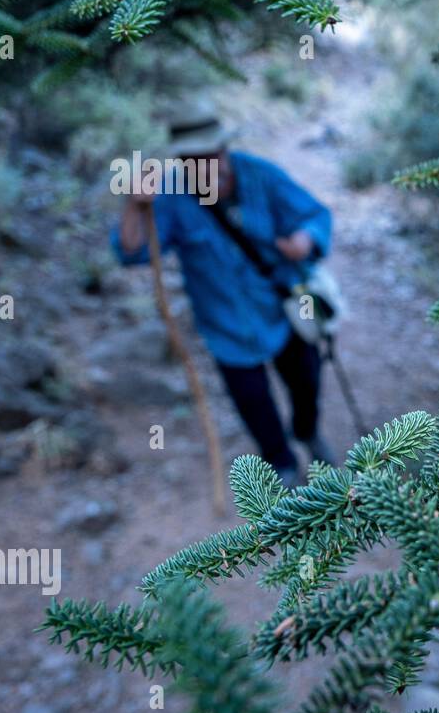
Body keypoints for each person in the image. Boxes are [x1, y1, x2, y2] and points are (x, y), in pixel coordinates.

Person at [113, 105, 337, 486]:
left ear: (224, 150)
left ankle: (307, 431)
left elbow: (316, 216)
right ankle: (281, 462)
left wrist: (305, 239)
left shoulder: (261, 176)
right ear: (181, 159)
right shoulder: (169, 195)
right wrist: (133, 204)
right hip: (225, 326)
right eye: (192, 158)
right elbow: (131, 252)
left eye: (211, 154)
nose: (205, 165)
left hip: (284, 308)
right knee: (252, 401)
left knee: (307, 380)